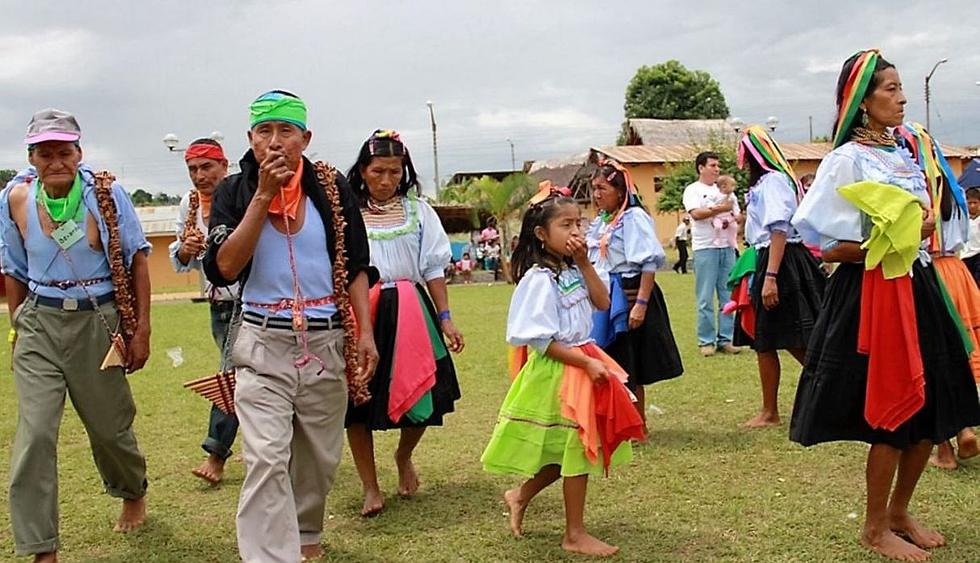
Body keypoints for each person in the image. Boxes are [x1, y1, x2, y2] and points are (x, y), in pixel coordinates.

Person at [791, 50, 980, 561]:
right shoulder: (847, 160)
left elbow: (918, 224)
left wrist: (916, 230)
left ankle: (899, 512)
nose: (901, 99)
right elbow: (826, 245)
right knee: (891, 409)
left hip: (918, 285)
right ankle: (875, 528)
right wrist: (893, 238)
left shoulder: (902, 152)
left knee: (931, 403)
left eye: (900, 89)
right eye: (890, 90)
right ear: (862, 100)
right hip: (873, 294)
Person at [203, 90, 379, 562]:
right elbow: (224, 268)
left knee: (319, 456)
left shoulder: (331, 187)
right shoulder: (234, 191)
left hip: (326, 339)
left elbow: (357, 264)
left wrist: (364, 332)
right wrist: (263, 195)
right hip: (263, 341)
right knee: (265, 456)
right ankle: (267, 556)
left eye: (287, 131)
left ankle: (305, 533)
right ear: (250, 138)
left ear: (306, 137)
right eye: (265, 131)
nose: (276, 141)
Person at [2, 108, 152, 561]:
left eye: (64, 152)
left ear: (79, 153)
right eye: (45, 154)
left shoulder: (104, 194)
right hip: (40, 323)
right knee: (35, 435)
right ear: (31, 158)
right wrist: (18, 322)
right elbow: (13, 268)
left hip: (97, 320)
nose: (56, 162)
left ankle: (132, 490)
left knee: (109, 430)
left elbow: (138, 258)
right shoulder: (15, 197)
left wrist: (141, 330)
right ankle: (41, 546)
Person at [481, 186, 644, 558]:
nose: (576, 232)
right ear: (541, 234)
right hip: (561, 368)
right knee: (576, 448)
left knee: (571, 448)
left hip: (584, 359)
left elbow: (603, 302)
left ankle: (520, 495)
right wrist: (585, 363)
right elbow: (540, 341)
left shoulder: (574, 269)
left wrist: (585, 263)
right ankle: (574, 533)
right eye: (566, 225)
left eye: (579, 223)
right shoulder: (539, 279)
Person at [343, 130, 463, 517]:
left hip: (412, 311)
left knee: (425, 391)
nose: (386, 180)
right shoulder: (346, 212)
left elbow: (433, 268)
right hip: (362, 310)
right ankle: (370, 486)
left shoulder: (419, 211)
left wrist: (445, 318)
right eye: (378, 171)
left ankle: (403, 455)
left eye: (395, 172)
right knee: (357, 401)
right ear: (363, 170)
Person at [894, 123, 980, 469]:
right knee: (953, 354)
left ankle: (944, 449)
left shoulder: (913, 191)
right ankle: (964, 429)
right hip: (957, 272)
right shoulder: (953, 193)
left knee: (929, 358)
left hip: (927, 274)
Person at [733, 126, 825, 429]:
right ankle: (769, 410)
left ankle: (833, 390)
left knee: (795, 336)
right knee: (766, 339)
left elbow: (778, 229)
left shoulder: (773, 181)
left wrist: (771, 276)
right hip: (771, 259)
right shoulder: (767, 183)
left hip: (781, 262)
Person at [586, 164, 683, 427]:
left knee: (630, 360)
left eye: (602, 188)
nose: (596, 195)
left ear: (620, 191)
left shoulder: (633, 218)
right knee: (610, 355)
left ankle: (636, 423)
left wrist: (640, 303)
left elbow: (648, 264)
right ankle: (618, 421)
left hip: (629, 292)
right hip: (607, 293)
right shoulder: (602, 221)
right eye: (594, 189)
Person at [168, 137, 241, 485]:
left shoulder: (240, 193)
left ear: (224, 165)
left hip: (248, 301)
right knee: (246, 378)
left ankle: (216, 453)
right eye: (192, 169)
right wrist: (186, 248)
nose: (200, 175)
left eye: (207, 167)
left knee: (231, 375)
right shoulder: (190, 204)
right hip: (218, 306)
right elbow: (183, 259)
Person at [683, 151, 741, 356]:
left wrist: (734, 216)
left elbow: (737, 214)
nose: (717, 169)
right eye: (712, 165)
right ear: (701, 168)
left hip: (727, 246)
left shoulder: (725, 189)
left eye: (718, 166)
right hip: (705, 247)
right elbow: (697, 214)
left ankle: (726, 338)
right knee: (705, 296)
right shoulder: (693, 190)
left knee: (728, 295)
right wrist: (720, 209)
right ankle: (706, 341)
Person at [711, 175, 740, 249]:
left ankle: (733, 240)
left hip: (728, 216)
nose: (734, 188)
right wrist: (713, 207)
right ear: (723, 187)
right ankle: (717, 238)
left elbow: (735, 205)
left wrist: (736, 214)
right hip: (718, 216)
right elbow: (710, 202)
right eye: (732, 186)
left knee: (734, 227)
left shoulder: (732, 196)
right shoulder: (716, 195)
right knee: (717, 227)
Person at [960, 187, 980, 287]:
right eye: (970, 203)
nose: (972, 206)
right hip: (965, 255)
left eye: (975, 203)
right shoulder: (963, 219)